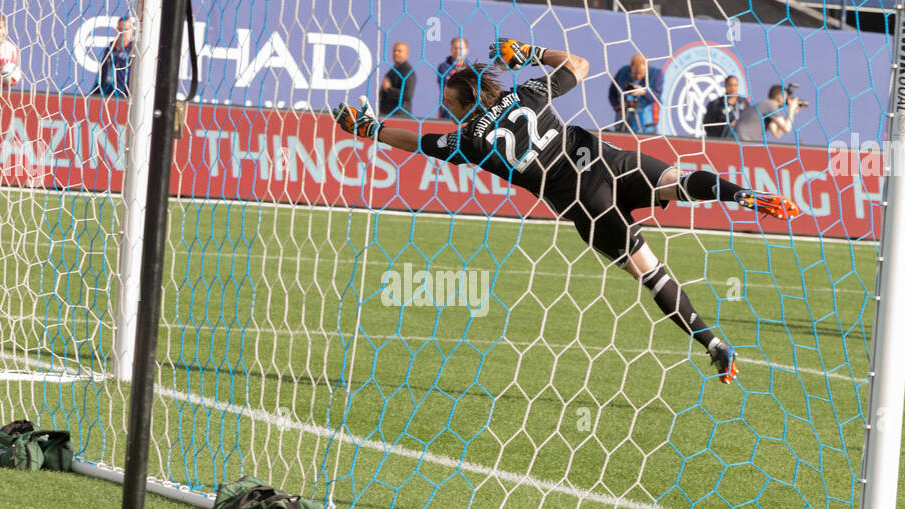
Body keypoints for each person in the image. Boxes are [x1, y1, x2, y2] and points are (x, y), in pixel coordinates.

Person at [331, 38, 806, 386]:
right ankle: (742, 194)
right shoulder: (526, 93)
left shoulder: (468, 140)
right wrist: (529, 53)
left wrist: (371, 129)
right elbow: (579, 63)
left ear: (467, 102)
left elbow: (415, 141)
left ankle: (713, 343)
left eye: (450, 103)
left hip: (584, 205)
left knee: (653, 274)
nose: (444, 107)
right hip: (604, 161)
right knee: (676, 182)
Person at [607, 53, 662, 133]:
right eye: (634, 74)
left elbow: (657, 96)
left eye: (640, 74)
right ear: (631, 68)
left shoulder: (656, 74)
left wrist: (643, 92)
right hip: (624, 122)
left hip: (646, 125)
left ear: (647, 68)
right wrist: (616, 106)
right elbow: (612, 92)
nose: (637, 77)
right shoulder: (623, 71)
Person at [97, 16, 133, 96]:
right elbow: (102, 71)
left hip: (123, 94)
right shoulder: (110, 48)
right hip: (107, 92)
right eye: (120, 29)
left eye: (126, 30)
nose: (123, 33)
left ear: (131, 30)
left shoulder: (133, 50)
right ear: (117, 29)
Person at [378, 41, 415, 118]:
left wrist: (389, 89)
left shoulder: (408, 71)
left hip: (399, 116)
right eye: (394, 51)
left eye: (399, 51)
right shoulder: (393, 69)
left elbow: (407, 95)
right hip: (387, 114)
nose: (396, 53)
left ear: (407, 54)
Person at [436, 37, 469, 118]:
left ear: (466, 50)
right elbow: (446, 86)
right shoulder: (443, 67)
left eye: (461, 48)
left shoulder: (471, 69)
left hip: (466, 109)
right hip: (447, 110)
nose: (458, 51)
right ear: (451, 50)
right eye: (455, 48)